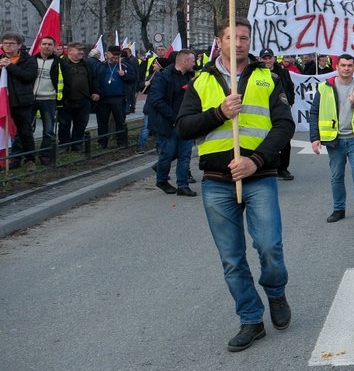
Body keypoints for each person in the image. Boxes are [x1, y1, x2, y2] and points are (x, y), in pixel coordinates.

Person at [175, 18, 296, 353]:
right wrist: (218, 113)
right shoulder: (202, 81)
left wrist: (255, 160)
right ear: (220, 41)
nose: (238, 43)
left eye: (244, 38)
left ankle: (275, 292)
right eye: (231, 37)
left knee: (269, 246)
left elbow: (285, 125)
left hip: (258, 177)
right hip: (216, 182)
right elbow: (183, 128)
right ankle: (250, 319)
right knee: (231, 257)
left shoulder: (267, 77)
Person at [309, 54, 354, 226]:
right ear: (337, 67)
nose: (346, 68)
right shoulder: (325, 87)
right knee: (336, 177)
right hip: (335, 140)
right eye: (343, 65)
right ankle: (338, 209)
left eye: (349, 65)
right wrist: (314, 138)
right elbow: (314, 113)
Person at [146, 49, 197, 197]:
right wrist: (174, 118)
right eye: (192, 60)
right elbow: (156, 101)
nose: (195, 63)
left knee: (185, 154)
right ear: (184, 61)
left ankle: (183, 185)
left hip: (185, 123)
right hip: (167, 124)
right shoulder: (163, 77)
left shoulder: (189, 76)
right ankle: (161, 180)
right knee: (167, 154)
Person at [0, 32, 37, 165]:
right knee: (5, 130)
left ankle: (30, 159)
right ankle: (12, 158)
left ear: (19, 45)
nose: (8, 46)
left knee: (24, 132)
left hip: (22, 102)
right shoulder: (0, 59)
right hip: (4, 102)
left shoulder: (28, 60)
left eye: (11, 43)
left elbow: (28, 77)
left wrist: (10, 66)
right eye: (5, 43)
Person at [90, 45, 137, 148]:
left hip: (118, 98)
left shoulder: (125, 66)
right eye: (114, 54)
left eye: (118, 55)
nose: (116, 57)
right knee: (102, 122)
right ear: (107, 54)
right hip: (103, 98)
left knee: (120, 121)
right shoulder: (101, 66)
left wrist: (124, 75)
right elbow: (95, 80)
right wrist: (96, 92)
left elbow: (133, 79)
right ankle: (102, 142)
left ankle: (121, 142)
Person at [259, 50, 296, 180]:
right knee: (265, 139)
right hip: (264, 111)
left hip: (281, 110)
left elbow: (290, 87)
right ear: (260, 59)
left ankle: (283, 168)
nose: (267, 61)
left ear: (274, 59)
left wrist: (290, 101)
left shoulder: (283, 72)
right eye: (265, 58)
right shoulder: (256, 74)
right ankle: (267, 167)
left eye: (270, 58)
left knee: (285, 139)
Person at [57, 42, 97, 152]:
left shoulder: (86, 64)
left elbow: (93, 79)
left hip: (84, 100)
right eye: (78, 50)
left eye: (82, 50)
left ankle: (77, 144)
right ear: (69, 51)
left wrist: (95, 92)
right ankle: (64, 145)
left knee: (81, 124)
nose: (81, 52)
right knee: (64, 124)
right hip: (66, 100)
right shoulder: (61, 63)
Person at [31, 36, 61, 164]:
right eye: (44, 44)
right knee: (27, 129)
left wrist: (61, 99)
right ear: (40, 45)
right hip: (30, 99)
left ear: (53, 47)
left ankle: (45, 155)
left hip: (49, 98)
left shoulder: (59, 62)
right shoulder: (31, 60)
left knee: (48, 130)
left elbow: (66, 81)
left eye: (49, 44)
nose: (47, 46)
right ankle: (26, 156)